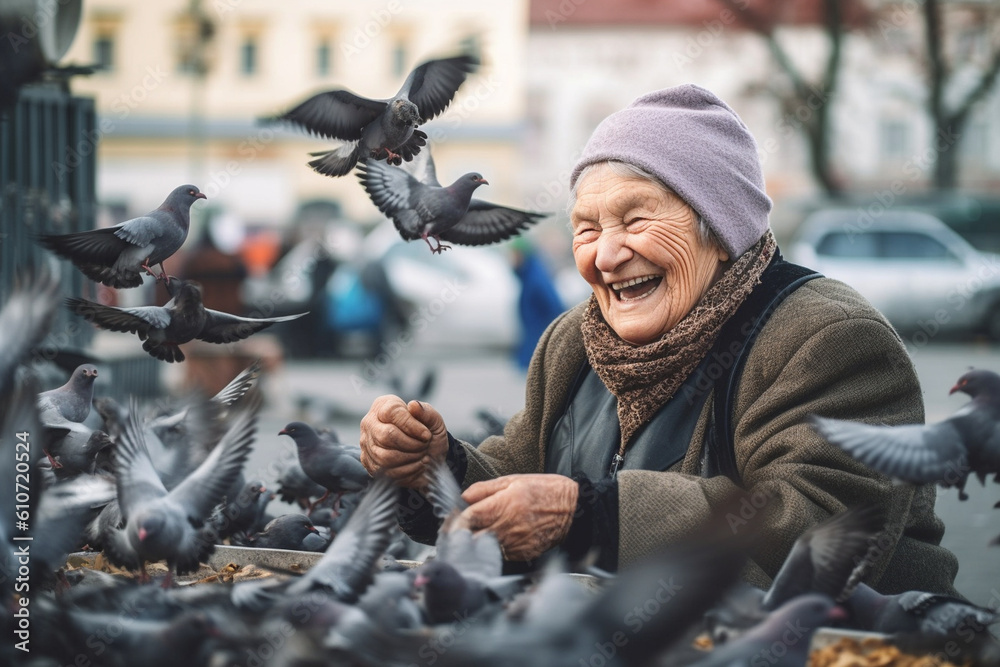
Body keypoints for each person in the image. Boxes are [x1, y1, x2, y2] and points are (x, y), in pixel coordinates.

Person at [358, 85, 958, 594]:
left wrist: (589, 517)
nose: (607, 254)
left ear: (721, 230)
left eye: (636, 219)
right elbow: (523, 469)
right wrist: (438, 466)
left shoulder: (826, 339)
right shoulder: (575, 339)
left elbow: (822, 538)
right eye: (587, 228)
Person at [509, 238, 565, 370]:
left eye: (515, 255)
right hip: (532, 342)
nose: (512, 260)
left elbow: (554, 306)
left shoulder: (536, 279)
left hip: (538, 343)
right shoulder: (528, 276)